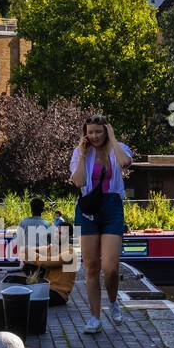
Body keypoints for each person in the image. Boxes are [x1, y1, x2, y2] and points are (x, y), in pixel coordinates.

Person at [69, 114, 132, 335]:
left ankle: (113, 302)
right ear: (85, 132)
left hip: (112, 206)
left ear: (106, 131)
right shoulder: (80, 153)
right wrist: (83, 152)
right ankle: (95, 317)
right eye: (91, 132)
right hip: (87, 208)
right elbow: (78, 182)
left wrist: (113, 138)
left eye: (99, 131)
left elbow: (125, 163)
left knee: (110, 268)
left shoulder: (118, 148)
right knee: (92, 266)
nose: (94, 136)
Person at [30, 221, 77, 306]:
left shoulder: (70, 253)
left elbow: (48, 262)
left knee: (26, 299)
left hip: (58, 294)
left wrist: (32, 256)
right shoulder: (51, 248)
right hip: (45, 288)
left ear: (69, 236)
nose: (56, 235)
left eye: (60, 233)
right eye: (56, 232)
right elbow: (30, 249)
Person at [15, 196, 52, 266]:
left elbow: (18, 241)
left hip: (27, 258)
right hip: (43, 258)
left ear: (31, 209)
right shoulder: (47, 224)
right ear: (42, 210)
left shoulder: (22, 223)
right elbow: (51, 242)